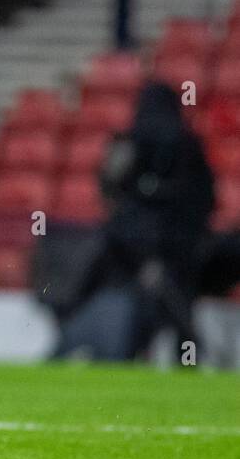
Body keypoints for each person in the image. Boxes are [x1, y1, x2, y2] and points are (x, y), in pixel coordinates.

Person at [55, 81, 214, 360]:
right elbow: (205, 198)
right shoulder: (188, 143)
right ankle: (185, 358)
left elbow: (110, 186)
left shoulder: (130, 141)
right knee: (177, 305)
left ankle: (120, 351)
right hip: (178, 245)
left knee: (129, 298)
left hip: (129, 243)